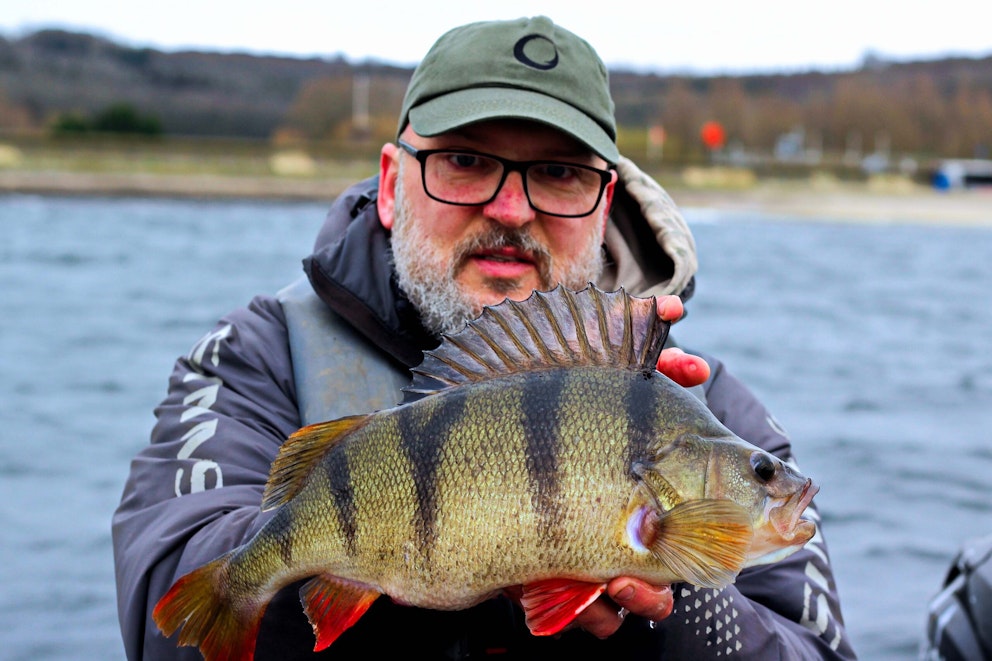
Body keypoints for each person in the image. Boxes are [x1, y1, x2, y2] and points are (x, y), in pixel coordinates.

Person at [113, 15, 856, 660]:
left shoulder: (704, 401)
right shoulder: (256, 360)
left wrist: (670, 604)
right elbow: (165, 623)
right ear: (391, 184)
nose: (510, 209)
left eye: (558, 172)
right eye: (466, 161)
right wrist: (409, 570)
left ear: (605, 204)